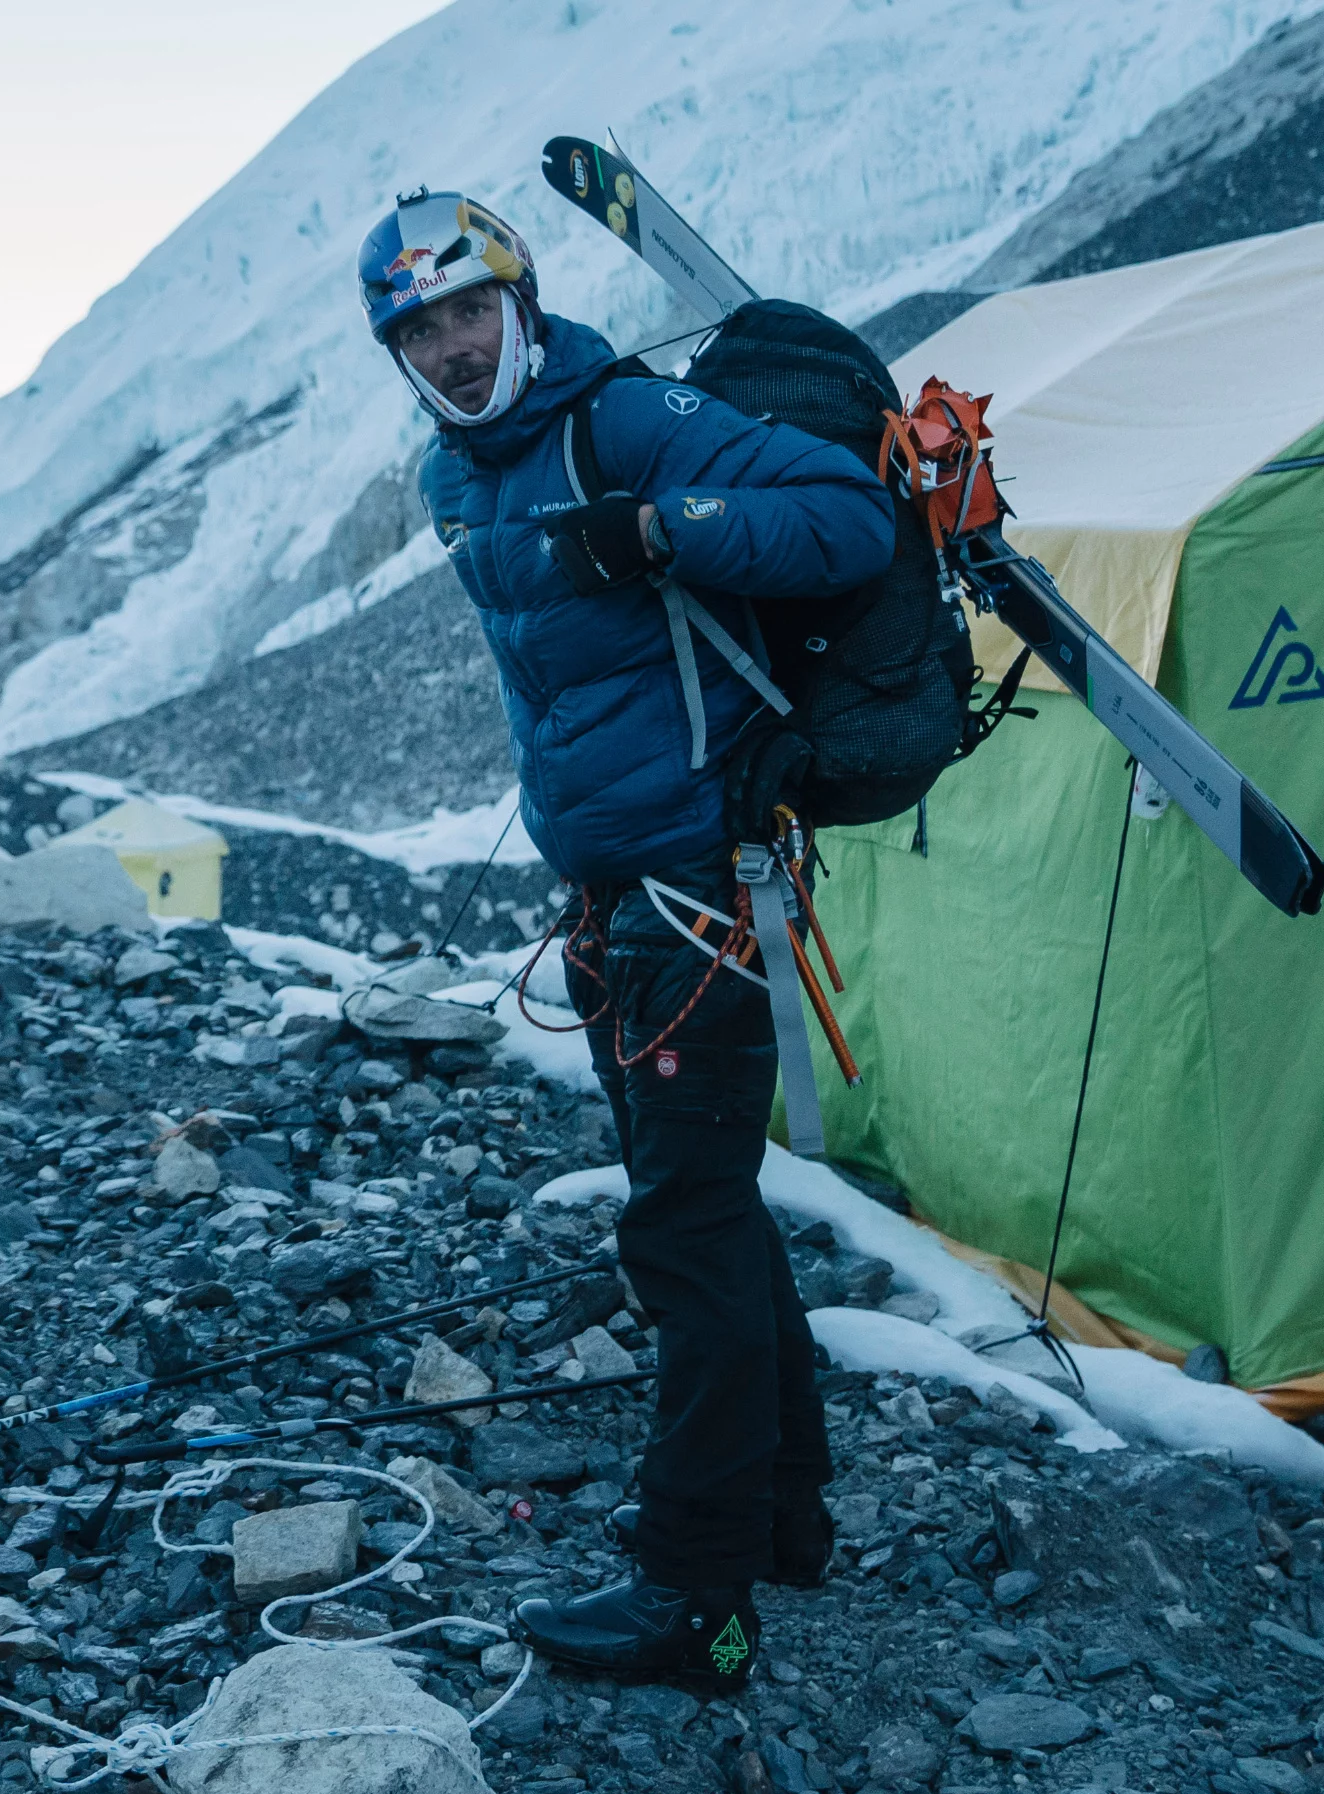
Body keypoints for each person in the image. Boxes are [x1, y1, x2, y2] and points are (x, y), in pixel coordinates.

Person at [356, 189, 895, 1681]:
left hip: (697, 896)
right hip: (614, 905)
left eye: (470, 310)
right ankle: (785, 1519)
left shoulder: (635, 422)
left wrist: (669, 525)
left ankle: (695, 1596)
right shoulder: (454, 476)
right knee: (708, 1204)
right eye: (419, 329)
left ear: (521, 299)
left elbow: (850, 521)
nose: (455, 348)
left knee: (682, 1227)